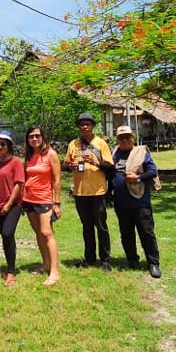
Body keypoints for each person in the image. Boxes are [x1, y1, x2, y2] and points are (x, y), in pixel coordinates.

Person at [64, 112, 114, 271]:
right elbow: (64, 165)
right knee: (86, 227)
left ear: (92, 126)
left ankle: (106, 260)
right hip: (80, 192)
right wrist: (69, 166)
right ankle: (90, 258)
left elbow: (111, 168)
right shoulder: (73, 144)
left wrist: (96, 161)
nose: (85, 127)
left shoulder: (100, 144)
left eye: (87, 124)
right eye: (81, 124)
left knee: (101, 226)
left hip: (98, 192)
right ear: (78, 127)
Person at [111, 125, 162, 278]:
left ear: (132, 137)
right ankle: (132, 259)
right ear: (117, 139)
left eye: (127, 137)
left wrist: (138, 178)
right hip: (121, 202)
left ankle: (153, 263)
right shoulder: (114, 153)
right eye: (121, 137)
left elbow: (153, 172)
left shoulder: (141, 152)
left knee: (147, 233)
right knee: (126, 234)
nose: (125, 140)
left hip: (140, 202)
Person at [23, 125, 62, 286]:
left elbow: (57, 180)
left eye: (37, 136)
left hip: (45, 199)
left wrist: (57, 203)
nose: (34, 139)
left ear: (43, 137)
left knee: (47, 232)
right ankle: (45, 263)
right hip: (29, 199)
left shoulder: (51, 154)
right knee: (38, 233)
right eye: (31, 136)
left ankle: (55, 271)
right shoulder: (29, 155)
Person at [0, 131, 25, 287]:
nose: (0, 147)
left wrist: (9, 204)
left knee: (8, 233)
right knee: (5, 236)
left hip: (13, 205)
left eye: (3, 144)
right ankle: (10, 265)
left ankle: (11, 272)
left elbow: (19, 184)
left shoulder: (15, 162)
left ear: (9, 145)